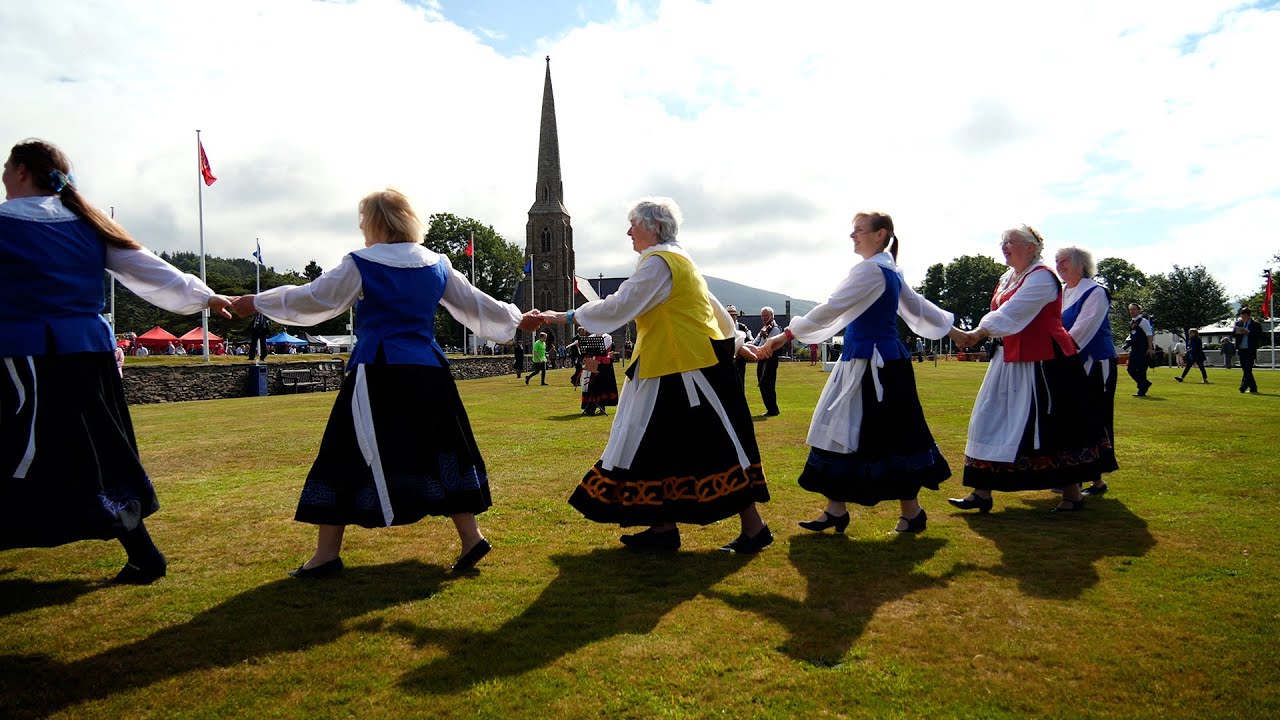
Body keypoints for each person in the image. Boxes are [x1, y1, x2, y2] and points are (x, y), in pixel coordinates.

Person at [229, 188, 541, 577]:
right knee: (445, 449)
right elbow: (478, 304)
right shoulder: (437, 263)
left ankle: (326, 555)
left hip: (378, 373)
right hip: (429, 373)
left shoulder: (361, 262)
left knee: (344, 451)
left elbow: (315, 299)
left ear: (374, 224)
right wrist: (516, 319)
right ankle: (471, 537)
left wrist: (256, 301)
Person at [0, 138, 234, 583]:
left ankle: (143, 555)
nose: (4, 176)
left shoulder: (8, 223)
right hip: (87, 356)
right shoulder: (89, 224)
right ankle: (144, 555)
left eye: (7, 168)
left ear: (24, 171)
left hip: (23, 354)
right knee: (100, 451)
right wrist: (207, 296)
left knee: (16, 449)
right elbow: (153, 271)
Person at [540, 198, 772, 553]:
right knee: (658, 446)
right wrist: (739, 342)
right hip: (670, 367)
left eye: (634, 224)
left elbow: (620, 305)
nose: (629, 231)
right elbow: (710, 307)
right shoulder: (678, 259)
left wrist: (565, 317)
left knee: (711, 446)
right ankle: (663, 527)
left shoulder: (659, 264)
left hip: (683, 369)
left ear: (653, 227)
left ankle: (751, 528)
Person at [761, 212, 955, 533]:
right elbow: (917, 307)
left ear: (880, 235)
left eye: (859, 231)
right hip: (874, 364)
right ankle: (844, 509)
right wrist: (955, 331)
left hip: (873, 366)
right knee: (857, 433)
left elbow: (831, 307)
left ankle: (905, 510)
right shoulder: (888, 270)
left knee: (870, 435)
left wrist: (785, 335)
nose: (853, 236)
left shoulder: (873, 270)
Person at [948, 225, 1111, 514]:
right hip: (1009, 357)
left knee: (1054, 426)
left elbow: (1014, 313)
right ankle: (981, 491)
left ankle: (1071, 493)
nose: (1004, 246)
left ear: (1031, 247)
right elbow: (1002, 313)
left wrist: (977, 333)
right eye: (1002, 242)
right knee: (989, 416)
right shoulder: (1007, 278)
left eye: (1011, 242)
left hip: (1045, 362)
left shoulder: (1043, 278)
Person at [1055, 246, 1121, 496]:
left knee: (1096, 416)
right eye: (1057, 261)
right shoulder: (1061, 293)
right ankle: (1084, 477)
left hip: (1094, 362)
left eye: (1064, 261)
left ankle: (1094, 478)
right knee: (1074, 418)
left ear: (1080, 264)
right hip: (1069, 364)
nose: (1059, 266)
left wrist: (1054, 353)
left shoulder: (1096, 291)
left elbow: (1082, 331)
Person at [753, 306, 783, 416]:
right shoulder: (764, 328)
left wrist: (765, 336)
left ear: (772, 316)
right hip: (762, 358)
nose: (764, 318)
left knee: (768, 384)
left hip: (770, 359)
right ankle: (770, 408)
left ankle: (773, 409)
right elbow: (756, 341)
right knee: (763, 384)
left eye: (766, 316)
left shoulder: (775, 329)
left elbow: (769, 345)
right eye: (762, 316)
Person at [580, 332, 619, 416]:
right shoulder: (591, 337)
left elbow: (602, 348)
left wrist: (590, 347)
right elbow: (586, 350)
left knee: (601, 384)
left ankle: (600, 406)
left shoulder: (607, 337)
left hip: (603, 363)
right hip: (591, 361)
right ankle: (589, 406)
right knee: (589, 384)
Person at [1125, 302, 1155, 397]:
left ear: (1139, 310)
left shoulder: (1143, 321)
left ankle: (1142, 390)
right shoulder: (1132, 322)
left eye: (1134, 309)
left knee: (1141, 370)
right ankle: (1144, 383)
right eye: (1130, 309)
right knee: (1130, 369)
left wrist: (1150, 348)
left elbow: (1149, 335)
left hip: (1143, 349)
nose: (1132, 311)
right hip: (1134, 348)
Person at [1234, 307, 1263, 394]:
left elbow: (1259, 335)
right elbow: (1233, 334)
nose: (1243, 318)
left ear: (1249, 316)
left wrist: (1249, 332)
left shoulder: (1256, 324)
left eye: (1245, 316)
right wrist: (1238, 332)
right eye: (1242, 316)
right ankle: (1251, 387)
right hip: (1241, 349)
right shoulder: (1238, 323)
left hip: (1250, 349)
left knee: (1248, 368)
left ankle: (1244, 386)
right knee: (1245, 369)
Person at [726, 305, 750, 393]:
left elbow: (750, 340)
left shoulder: (743, 327)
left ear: (736, 316)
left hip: (740, 360)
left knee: (740, 383)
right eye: (729, 315)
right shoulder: (722, 327)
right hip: (728, 361)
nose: (731, 317)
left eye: (733, 315)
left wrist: (742, 349)